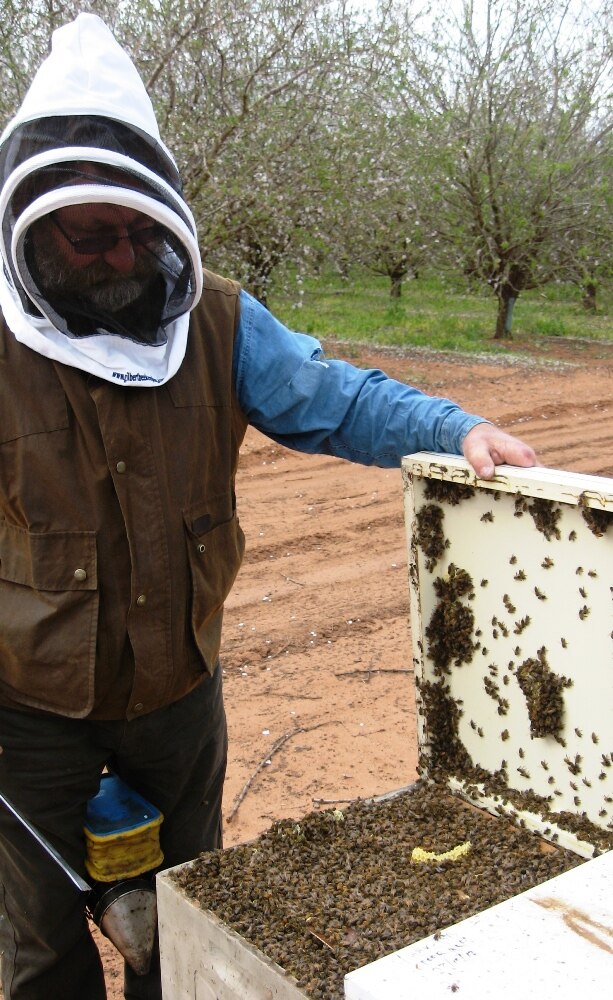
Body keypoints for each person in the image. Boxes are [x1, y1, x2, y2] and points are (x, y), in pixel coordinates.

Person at [0, 13, 536, 1000]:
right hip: (24, 713)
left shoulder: (219, 319)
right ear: (37, 220)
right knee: (39, 950)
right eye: (92, 237)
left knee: (189, 922)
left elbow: (336, 397)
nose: (121, 259)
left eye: (137, 233)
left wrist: (454, 428)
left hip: (178, 703)